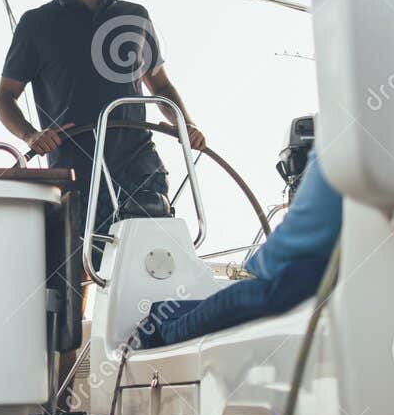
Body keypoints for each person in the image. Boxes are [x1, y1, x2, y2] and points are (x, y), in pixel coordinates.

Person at [0, 0, 206, 288]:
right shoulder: (36, 24)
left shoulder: (134, 16)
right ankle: (70, 351)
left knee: (154, 271)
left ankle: (147, 348)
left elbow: (161, 87)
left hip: (139, 168)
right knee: (74, 279)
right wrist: (30, 136)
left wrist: (185, 123)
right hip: (74, 171)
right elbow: (5, 98)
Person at [136, 148, 341, 348]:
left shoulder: (340, 138)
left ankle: (153, 331)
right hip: (331, 280)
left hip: (305, 283)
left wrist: (255, 265)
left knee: (157, 322)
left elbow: (278, 259)